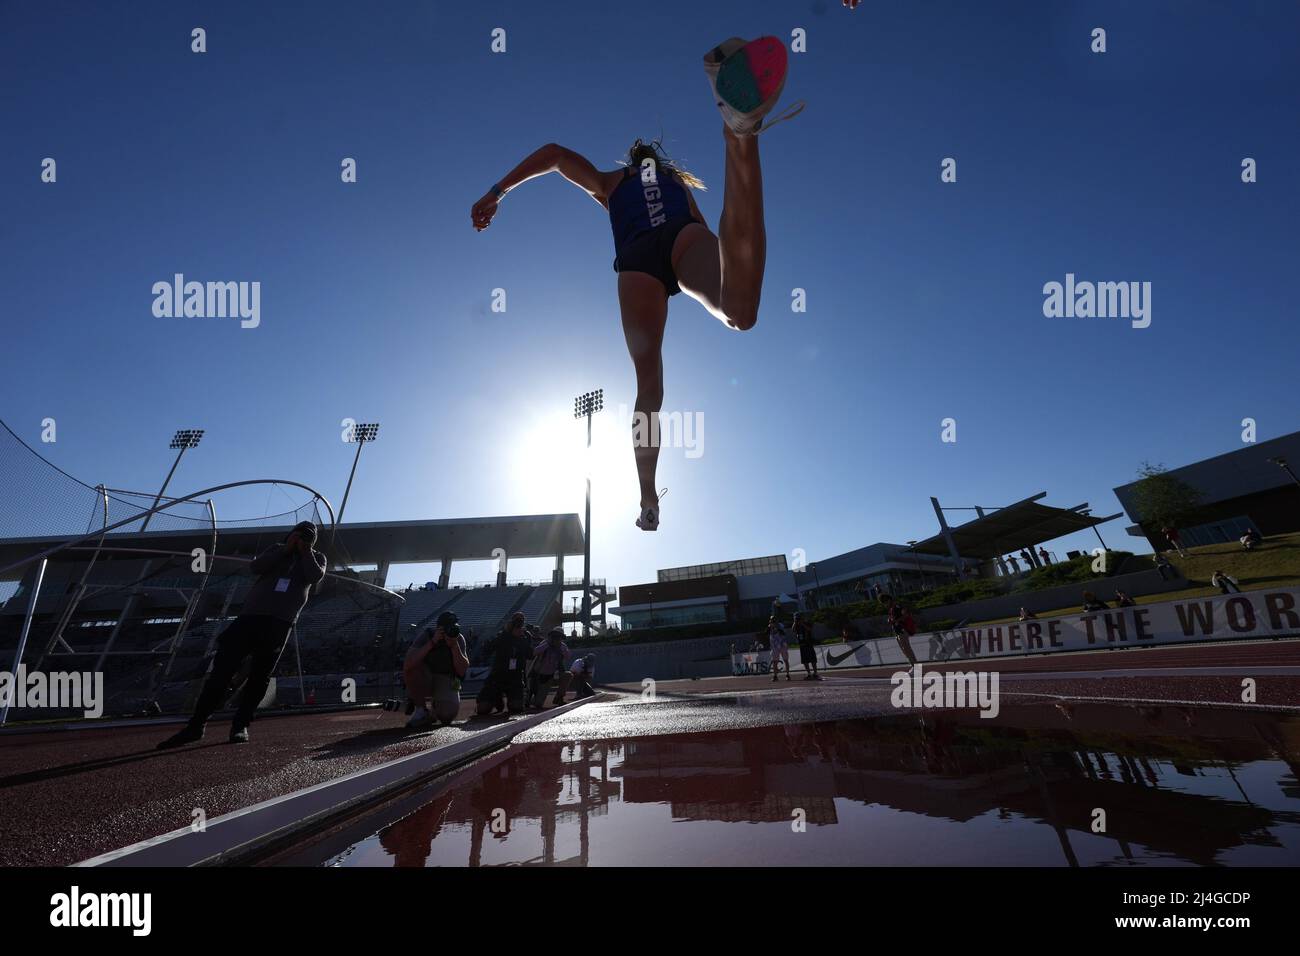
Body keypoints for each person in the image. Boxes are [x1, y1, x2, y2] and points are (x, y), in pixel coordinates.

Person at [470, 36, 801, 532]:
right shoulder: (671, 185)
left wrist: (498, 191)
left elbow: (557, 155)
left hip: (641, 263)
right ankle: (741, 134)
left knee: (651, 382)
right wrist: (496, 191)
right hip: (679, 242)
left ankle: (648, 493)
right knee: (741, 310)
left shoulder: (612, 183)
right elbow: (719, 236)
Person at [157, 521, 327, 748]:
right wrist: (285, 550)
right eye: (299, 535)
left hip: (280, 623)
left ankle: (240, 725)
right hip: (250, 617)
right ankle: (196, 725)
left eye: (307, 537)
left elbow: (315, 576)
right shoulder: (276, 549)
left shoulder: (317, 557)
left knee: (260, 676)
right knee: (222, 669)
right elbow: (256, 567)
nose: (302, 539)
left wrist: (305, 552)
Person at [404, 612, 469, 728]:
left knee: (447, 716)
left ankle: (434, 711)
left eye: (454, 626)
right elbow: (408, 663)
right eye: (448, 627)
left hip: (447, 678)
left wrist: (454, 647)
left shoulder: (458, 638)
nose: (451, 630)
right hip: (426, 676)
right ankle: (421, 710)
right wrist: (432, 642)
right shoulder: (427, 635)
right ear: (439, 628)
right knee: (412, 669)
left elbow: (462, 671)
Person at [476, 611, 533, 717]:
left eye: (521, 622)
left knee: (516, 708)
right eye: (516, 622)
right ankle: (496, 697)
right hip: (498, 675)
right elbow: (488, 649)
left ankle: (501, 698)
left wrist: (522, 640)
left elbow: (530, 655)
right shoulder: (502, 635)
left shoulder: (525, 636)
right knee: (483, 709)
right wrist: (505, 634)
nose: (518, 625)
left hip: (515, 676)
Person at [528, 628, 573, 708]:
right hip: (541, 676)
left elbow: (568, 657)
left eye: (559, 637)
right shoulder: (545, 643)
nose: (557, 639)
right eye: (555, 636)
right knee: (538, 704)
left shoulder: (562, 646)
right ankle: (531, 699)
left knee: (568, 675)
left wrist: (562, 648)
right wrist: (548, 644)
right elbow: (535, 652)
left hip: (553, 675)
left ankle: (559, 697)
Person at [883, 594, 918, 666]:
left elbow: (905, 615)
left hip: (902, 630)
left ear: (889, 600)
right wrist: (890, 620)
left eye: (885, 601)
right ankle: (913, 666)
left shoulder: (897, 606)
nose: (885, 604)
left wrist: (896, 621)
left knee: (907, 649)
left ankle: (916, 667)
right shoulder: (891, 609)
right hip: (897, 631)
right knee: (905, 650)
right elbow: (893, 619)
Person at [793, 612, 820, 680]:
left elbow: (809, 629)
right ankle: (809, 673)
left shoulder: (807, 622)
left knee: (812, 659)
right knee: (805, 661)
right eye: (796, 618)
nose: (798, 619)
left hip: (808, 643)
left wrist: (802, 624)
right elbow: (793, 630)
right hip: (802, 644)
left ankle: (815, 673)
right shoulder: (796, 625)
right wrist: (795, 622)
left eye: (799, 618)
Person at [768, 616, 791, 681]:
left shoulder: (780, 625)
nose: (772, 622)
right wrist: (770, 627)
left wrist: (777, 627)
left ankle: (788, 675)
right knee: (775, 662)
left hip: (782, 645)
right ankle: (775, 676)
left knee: (785, 660)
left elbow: (783, 633)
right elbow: (766, 632)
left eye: (773, 621)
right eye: (771, 621)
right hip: (775, 646)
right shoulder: (770, 626)